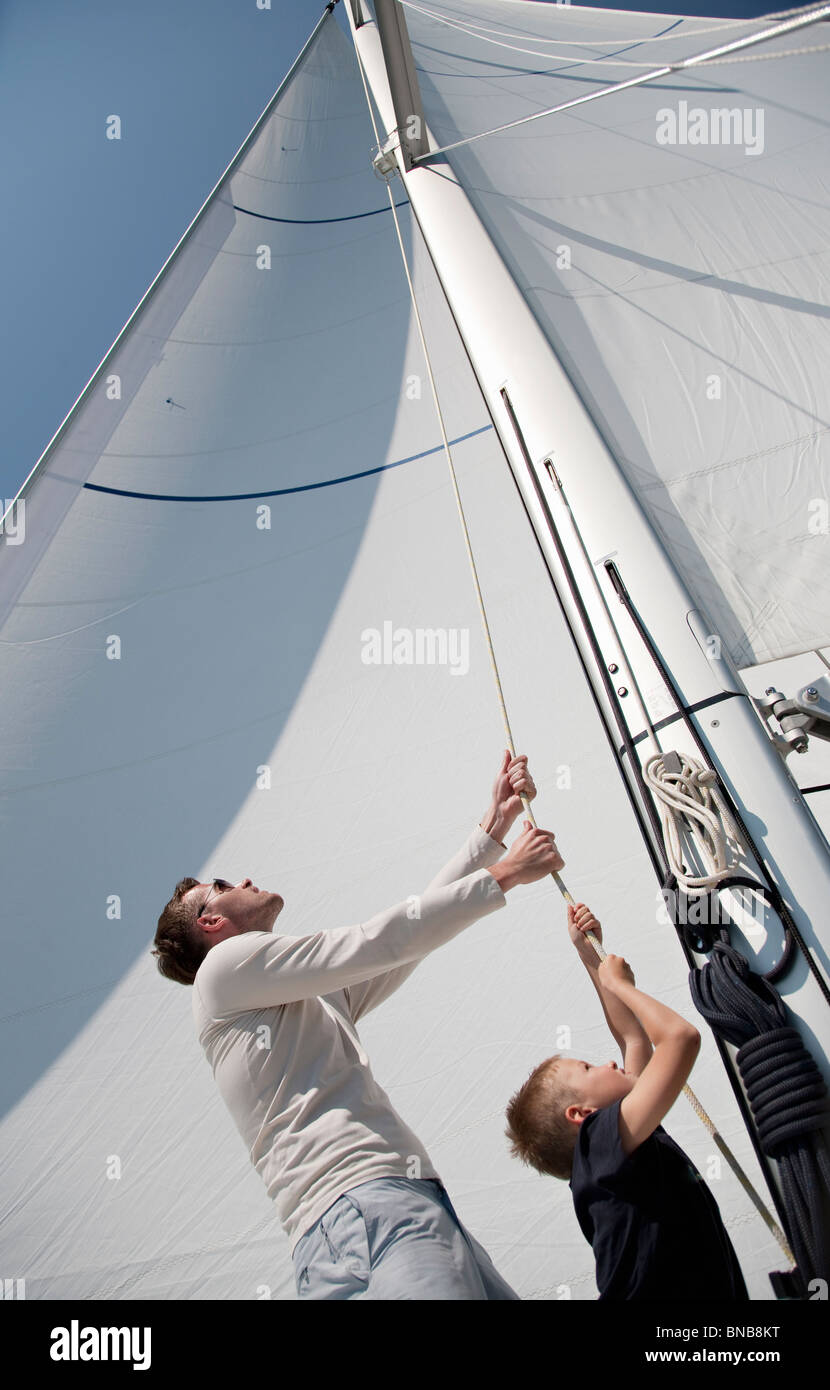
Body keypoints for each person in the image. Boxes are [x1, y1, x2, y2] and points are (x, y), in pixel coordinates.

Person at [152, 751, 563, 1300]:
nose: (244, 878)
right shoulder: (222, 971)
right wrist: (505, 873)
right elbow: (374, 940)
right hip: (367, 1206)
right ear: (211, 922)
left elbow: (392, 951)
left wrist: (492, 830)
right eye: (222, 883)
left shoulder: (285, 997)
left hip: (372, 1212)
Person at [505, 902, 748, 1301]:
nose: (607, 1062)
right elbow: (680, 1039)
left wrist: (591, 958)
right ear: (581, 1115)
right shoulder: (599, 1148)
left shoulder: (616, 1152)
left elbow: (633, 1039)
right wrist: (622, 987)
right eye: (587, 1068)